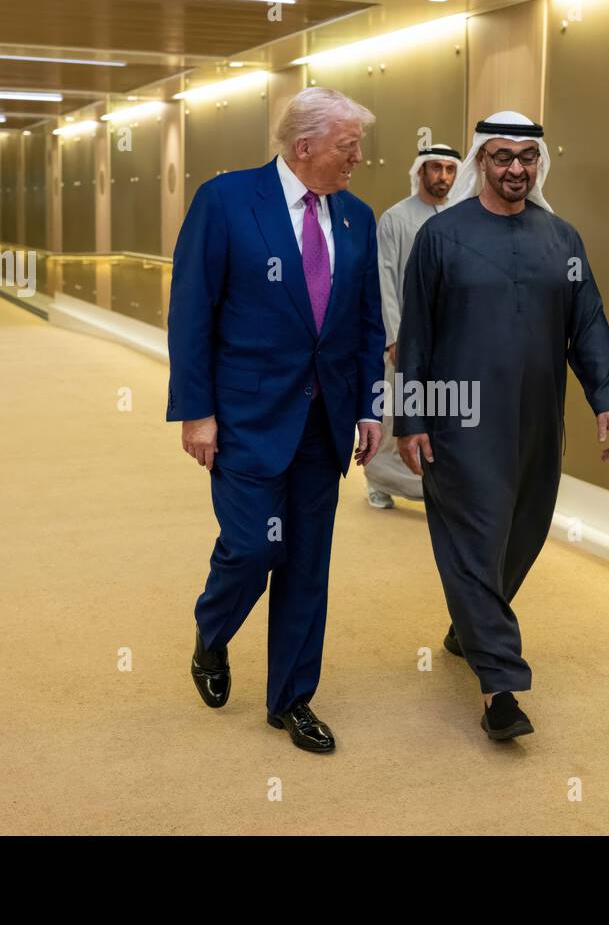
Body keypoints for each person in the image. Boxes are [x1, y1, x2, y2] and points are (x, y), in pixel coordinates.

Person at [395, 112, 609, 741]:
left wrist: (607, 397)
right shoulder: (441, 237)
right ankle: (502, 688)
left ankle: (468, 625)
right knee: (477, 535)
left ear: (539, 163)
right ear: (481, 162)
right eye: (502, 157)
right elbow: (415, 336)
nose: (515, 169)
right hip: (457, 418)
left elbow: (589, 324)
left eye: (527, 158)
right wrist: (410, 417)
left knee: (522, 531)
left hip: (536, 421)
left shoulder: (563, 240)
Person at [166, 87, 385, 754]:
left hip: (326, 421)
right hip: (246, 416)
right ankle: (213, 632)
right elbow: (192, 311)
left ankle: (291, 698)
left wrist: (371, 405)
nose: (358, 159)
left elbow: (368, 320)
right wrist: (196, 413)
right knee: (256, 548)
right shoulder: (228, 201)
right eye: (349, 147)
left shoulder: (356, 218)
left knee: (307, 564)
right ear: (304, 145)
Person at [364, 143, 462, 509]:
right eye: (435, 168)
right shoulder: (396, 219)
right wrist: (393, 337)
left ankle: (434, 487)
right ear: (420, 172)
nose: (443, 177)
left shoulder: (462, 216)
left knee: (445, 410)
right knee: (395, 414)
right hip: (406, 338)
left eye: (450, 170)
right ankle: (380, 481)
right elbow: (384, 280)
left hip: (449, 340)